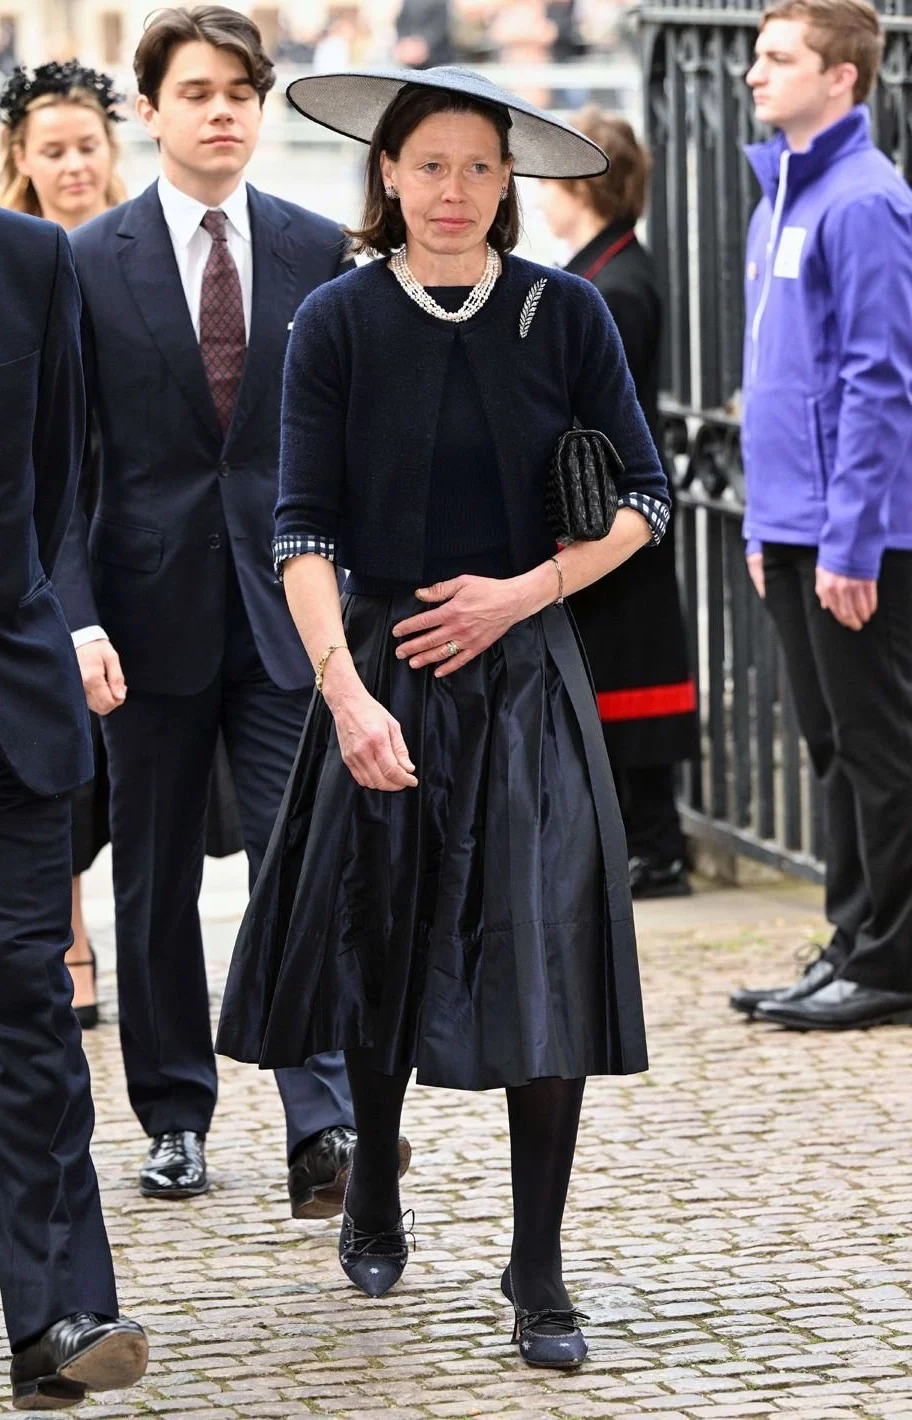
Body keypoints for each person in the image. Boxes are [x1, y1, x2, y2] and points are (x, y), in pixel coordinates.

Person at [217, 65, 671, 1367]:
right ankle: (371, 1180)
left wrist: (523, 594)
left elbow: (645, 500)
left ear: (509, 182)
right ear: (389, 177)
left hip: (529, 682)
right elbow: (298, 532)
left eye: (482, 167)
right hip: (380, 677)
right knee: (381, 942)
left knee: (547, 961)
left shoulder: (569, 313)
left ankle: (539, 1270)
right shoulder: (336, 323)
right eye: (432, 166)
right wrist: (346, 695)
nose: (457, 191)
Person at [52, 5, 395, 1211]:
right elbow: (65, 472)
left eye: (241, 93)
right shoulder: (86, 263)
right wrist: (79, 619)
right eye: (197, 92)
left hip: (293, 613)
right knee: (150, 884)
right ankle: (175, 1117)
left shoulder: (319, 251)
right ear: (150, 112)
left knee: (306, 862)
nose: (222, 112)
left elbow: (363, 447)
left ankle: (322, 1118)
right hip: (142, 627)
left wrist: (358, 603)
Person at [0, 58, 246, 1031]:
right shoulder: (7, 259)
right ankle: (67, 932)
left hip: (127, 547)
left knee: (113, 784)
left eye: (86, 147)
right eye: (50, 152)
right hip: (24, 540)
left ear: (113, 146)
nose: (72, 167)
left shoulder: (134, 252)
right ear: (21, 158)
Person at [0, 198, 147, 1410]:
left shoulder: (28, 260)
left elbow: (59, 473)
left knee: (28, 1004)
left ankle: (59, 1315)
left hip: (4, 704)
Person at [732, 0, 912, 1029]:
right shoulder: (778, 202)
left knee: (880, 751)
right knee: (829, 747)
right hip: (793, 524)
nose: (754, 74)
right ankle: (850, 941)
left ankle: (892, 958)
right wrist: (765, 526)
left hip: (857, 534)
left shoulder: (864, 201)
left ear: (840, 77)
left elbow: (879, 381)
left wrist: (850, 538)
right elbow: (774, 382)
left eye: (777, 57)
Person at [540, 108, 698, 899]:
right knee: (615, 678)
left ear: (581, 183)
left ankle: (658, 847)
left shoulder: (616, 281)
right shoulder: (599, 270)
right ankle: (638, 840)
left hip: (615, 516)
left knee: (633, 678)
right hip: (601, 515)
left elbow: (606, 414)